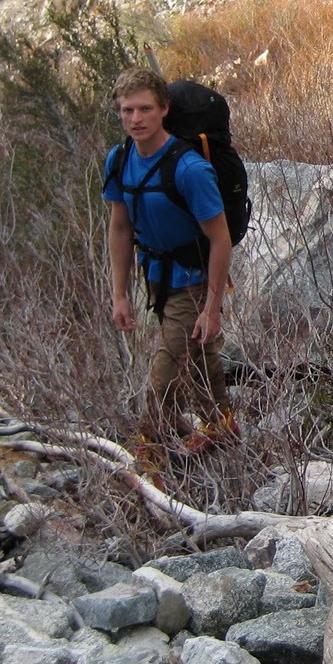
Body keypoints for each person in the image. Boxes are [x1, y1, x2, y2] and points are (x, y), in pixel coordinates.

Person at [103, 68, 235, 470]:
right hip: (156, 276)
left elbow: (220, 239)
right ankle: (221, 423)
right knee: (196, 356)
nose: (135, 119)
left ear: (164, 109)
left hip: (195, 276)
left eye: (145, 109)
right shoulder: (120, 158)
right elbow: (120, 226)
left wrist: (212, 307)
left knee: (167, 365)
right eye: (127, 110)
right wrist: (120, 294)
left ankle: (149, 448)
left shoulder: (189, 168)